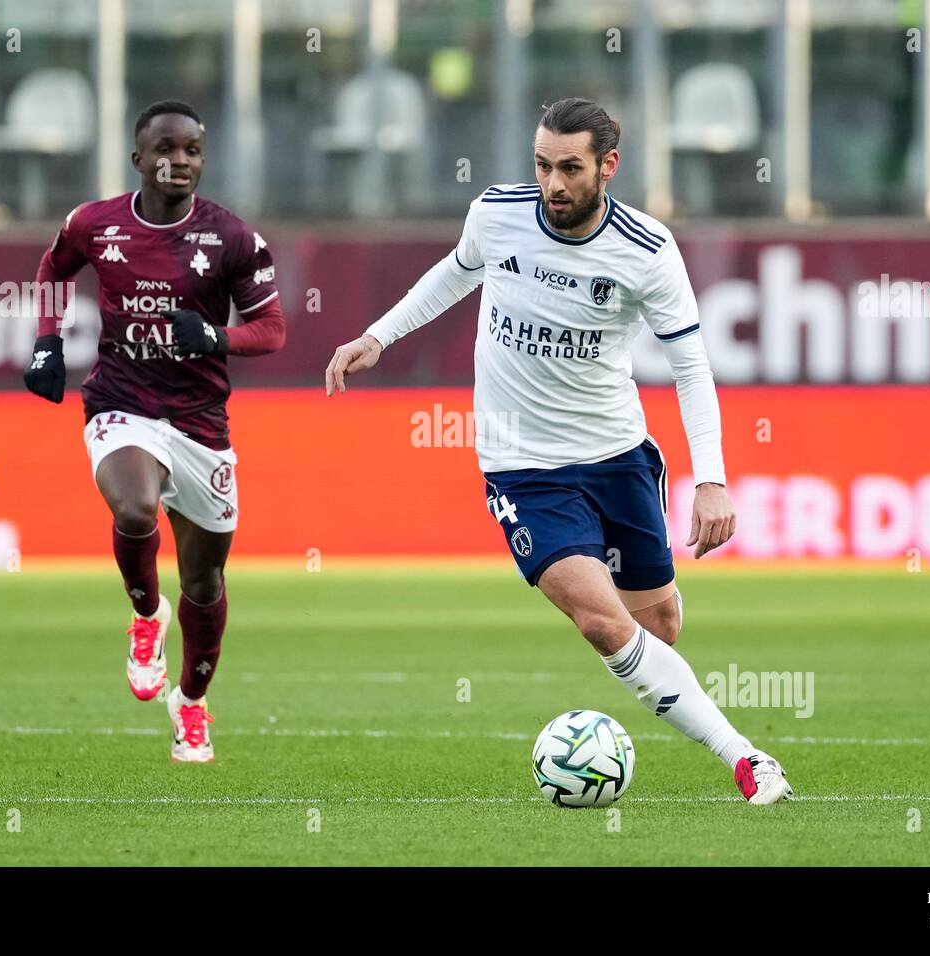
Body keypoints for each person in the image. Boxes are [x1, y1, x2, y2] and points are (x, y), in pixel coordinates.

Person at [325, 97, 791, 803]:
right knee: (602, 622)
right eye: (542, 165)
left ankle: (664, 696)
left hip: (617, 456)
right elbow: (459, 270)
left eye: (569, 168)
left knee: (657, 625)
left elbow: (692, 368)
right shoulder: (497, 213)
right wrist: (378, 336)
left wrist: (712, 481)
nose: (553, 184)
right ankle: (746, 759)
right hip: (523, 467)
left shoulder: (647, 252)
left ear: (608, 166)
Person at [22, 100, 285, 763]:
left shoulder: (233, 239)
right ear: (139, 159)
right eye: (165, 150)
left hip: (200, 425)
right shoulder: (93, 223)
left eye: (192, 150)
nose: (180, 161)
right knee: (135, 509)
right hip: (121, 402)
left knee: (205, 586)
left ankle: (191, 705)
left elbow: (272, 331)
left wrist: (216, 335)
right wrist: (47, 345)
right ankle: (145, 618)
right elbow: (54, 269)